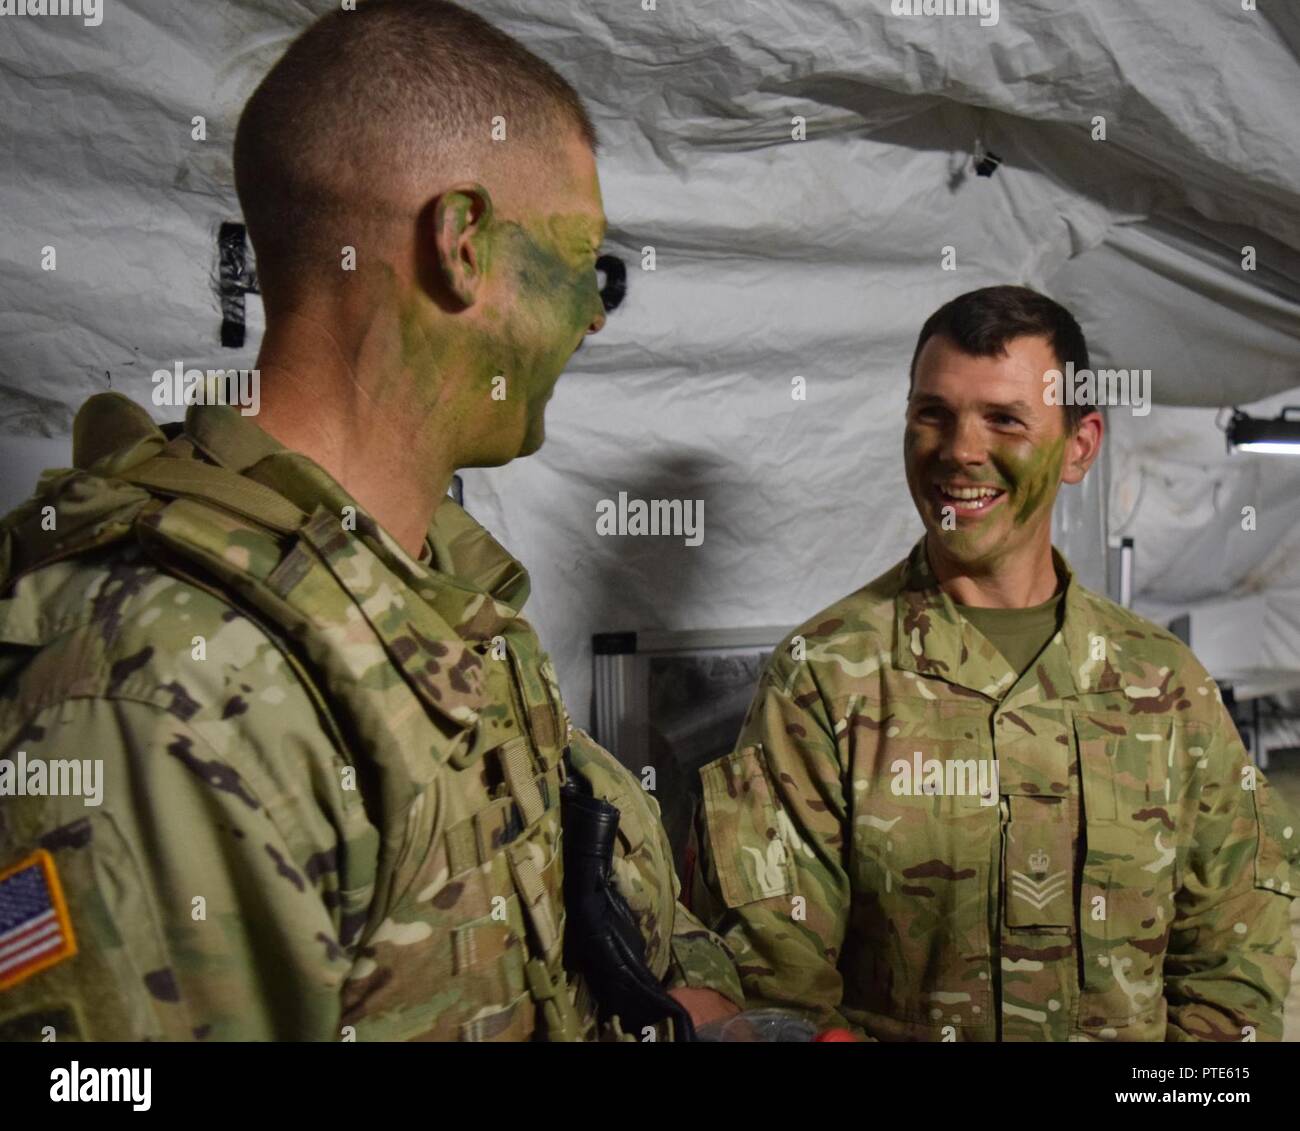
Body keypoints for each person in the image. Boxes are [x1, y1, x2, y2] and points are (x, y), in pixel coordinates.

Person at [0, 0, 740, 1041]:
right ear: (462, 244)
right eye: (579, 260)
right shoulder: (162, 683)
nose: (592, 312)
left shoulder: (434, 594)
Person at [692, 285, 1299, 1041]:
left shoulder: (1167, 686)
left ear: (1079, 446)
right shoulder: (825, 678)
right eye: (933, 414)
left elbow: (1235, 971)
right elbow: (775, 987)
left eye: (1005, 419)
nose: (960, 450)